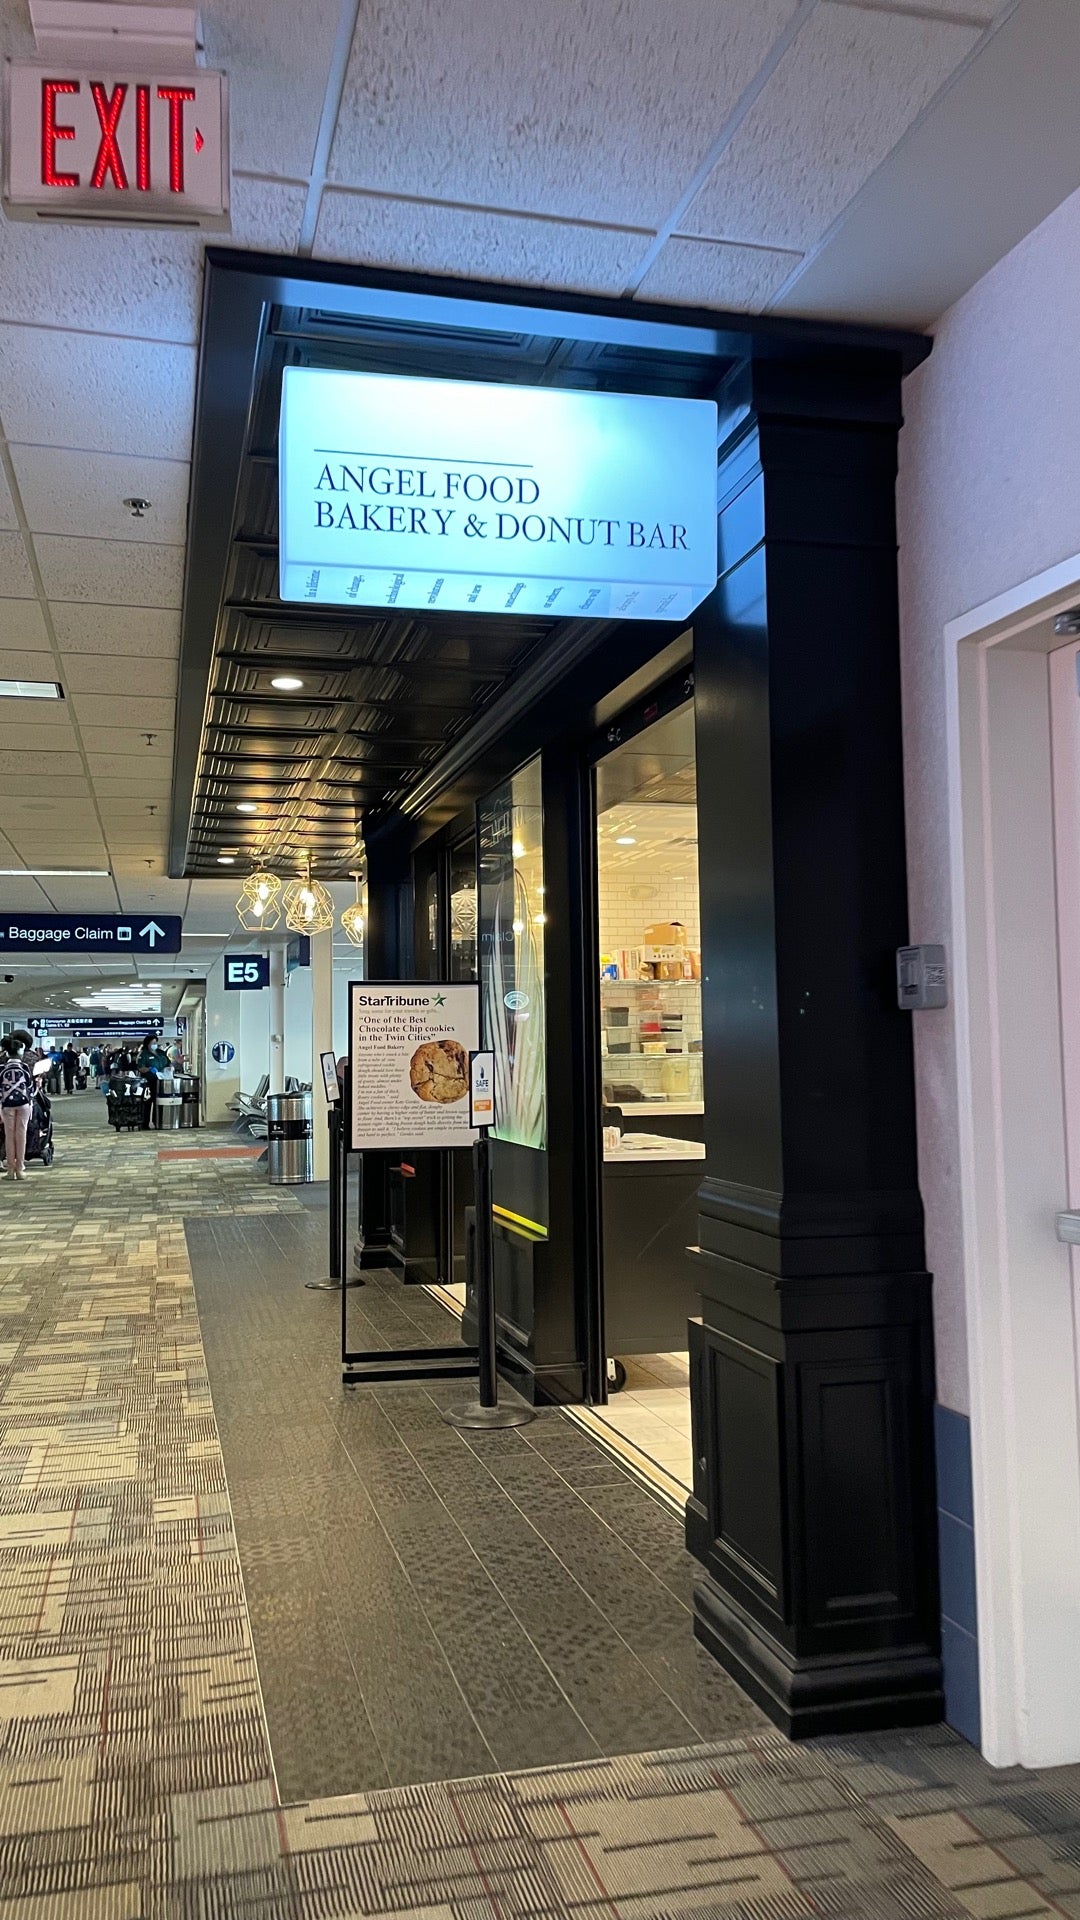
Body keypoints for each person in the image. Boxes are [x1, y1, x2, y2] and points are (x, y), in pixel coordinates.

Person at [1, 1030, 36, 1181]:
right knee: (21, 1135)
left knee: (9, 1136)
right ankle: (20, 1169)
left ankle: (10, 1170)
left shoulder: (2, 1069)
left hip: (7, 1105)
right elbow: (31, 1088)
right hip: (24, 1105)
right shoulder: (25, 1068)